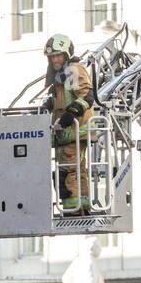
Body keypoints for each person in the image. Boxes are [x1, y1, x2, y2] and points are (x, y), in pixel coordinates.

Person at [42, 34, 94, 216]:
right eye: (52, 56)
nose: (55, 59)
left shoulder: (73, 70)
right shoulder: (61, 76)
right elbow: (63, 98)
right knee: (78, 172)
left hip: (73, 131)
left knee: (67, 173)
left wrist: (67, 117)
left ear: (66, 54)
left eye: (58, 55)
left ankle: (73, 211)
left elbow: (87, 96)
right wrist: (48, 105)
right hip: (71, 134)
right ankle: (82, 208)